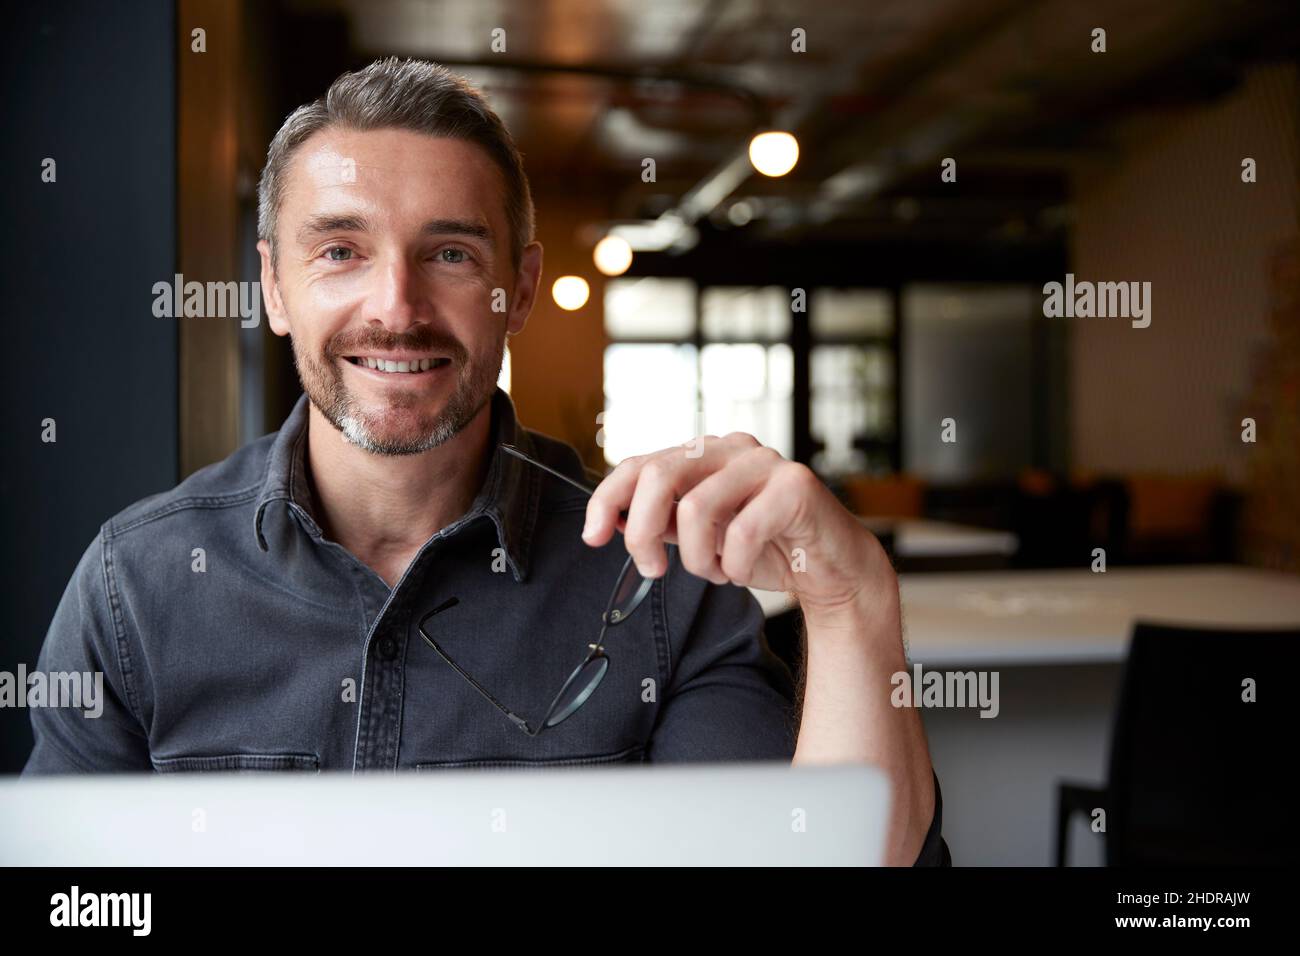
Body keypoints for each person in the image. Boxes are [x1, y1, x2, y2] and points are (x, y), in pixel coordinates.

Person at [25, 57, 948, 866]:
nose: (398, 307)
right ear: (272, 286)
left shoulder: (660, 574)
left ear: (522, 290)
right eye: (341, 250)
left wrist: (852, 592)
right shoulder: (134, 586)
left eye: (453, 253)